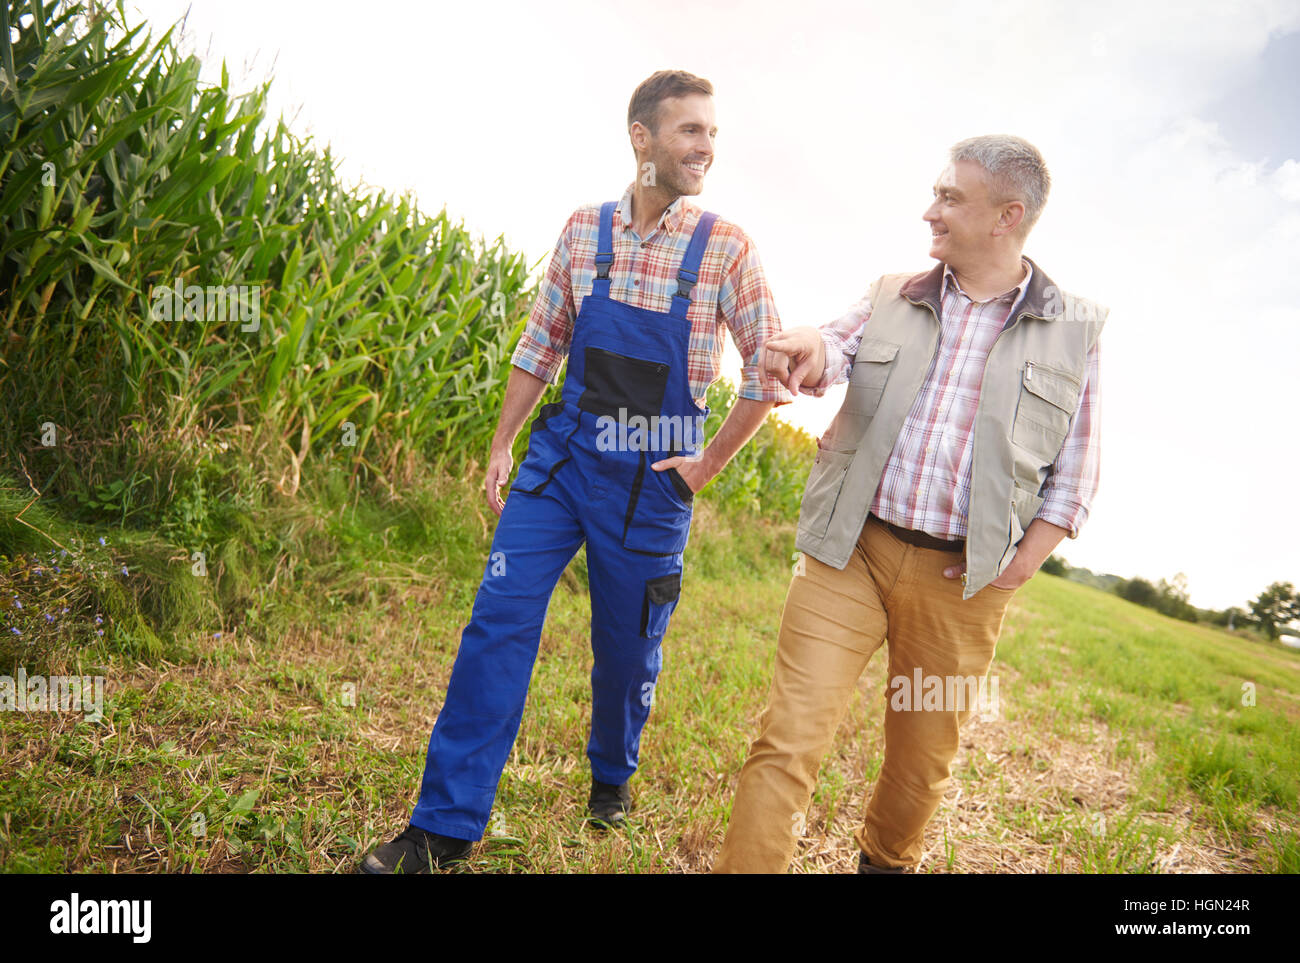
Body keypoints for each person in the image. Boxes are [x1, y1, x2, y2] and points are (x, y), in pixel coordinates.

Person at [362, 69, 791, 874]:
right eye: (690, 131)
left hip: (652, 475)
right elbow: (540, 345)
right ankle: (441, 826)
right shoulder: (583, 231)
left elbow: (769, 373)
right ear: (643, 139)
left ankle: (610, 774)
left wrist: (700, 467)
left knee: (627, 647)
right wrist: (501, 442)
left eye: (713, 134)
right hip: (563, 458)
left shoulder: (727, 247)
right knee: (497, 618)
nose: (706, 148)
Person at [713, 134, 1106, 874]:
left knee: (919, 766)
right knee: (788, 737)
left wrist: (1017, 569)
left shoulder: (1074, 330)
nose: (931, 210)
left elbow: (1075, 473)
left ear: (1006, 214)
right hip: (849, 553)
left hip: (962, 582)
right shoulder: (896, 292)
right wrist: (804, 345)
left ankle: (883, 861)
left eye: (951, 197)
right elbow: (834, 346)